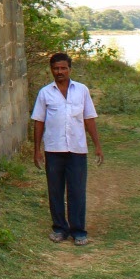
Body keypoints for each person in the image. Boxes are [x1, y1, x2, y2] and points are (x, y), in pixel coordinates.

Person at [31, 51, 104, 246]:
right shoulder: (45, 93)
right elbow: (38, 122)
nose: (59, 71)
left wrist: (97, 145)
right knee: (55, 190)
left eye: (63, 68)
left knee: (77, 191)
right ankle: (59, 229)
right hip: (54, 150)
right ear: (51, 70)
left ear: (70, 69)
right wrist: (36, 150)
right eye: (56, 68)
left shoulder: (82, 91)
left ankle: (78, 231)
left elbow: (89, 118)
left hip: (77, 150)